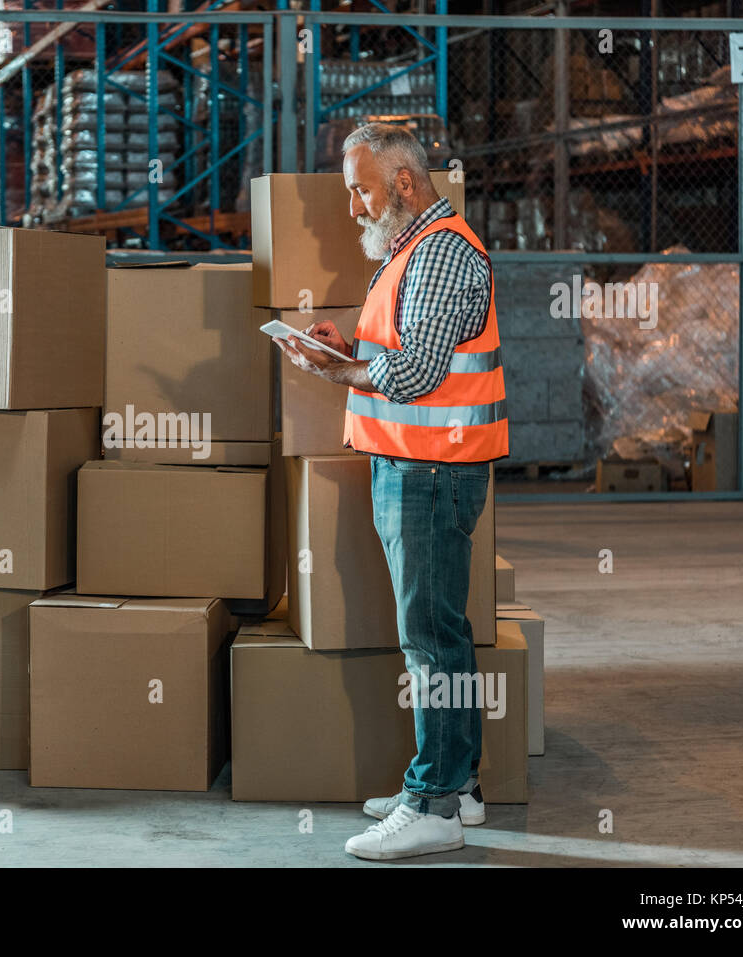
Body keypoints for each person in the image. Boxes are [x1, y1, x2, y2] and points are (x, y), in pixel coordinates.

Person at [274, 123, 508, 861]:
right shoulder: (416, 249)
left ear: (404, 184)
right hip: (418, 463)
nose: (352, 207)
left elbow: (415, 376)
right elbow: (403, 352)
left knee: (430, 640)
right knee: (444, 630)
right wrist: (345, 350)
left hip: (430, 468)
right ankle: (459, 783)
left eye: (361, 188)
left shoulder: (439, 251)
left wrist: (336, 374)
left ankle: (432, 801)